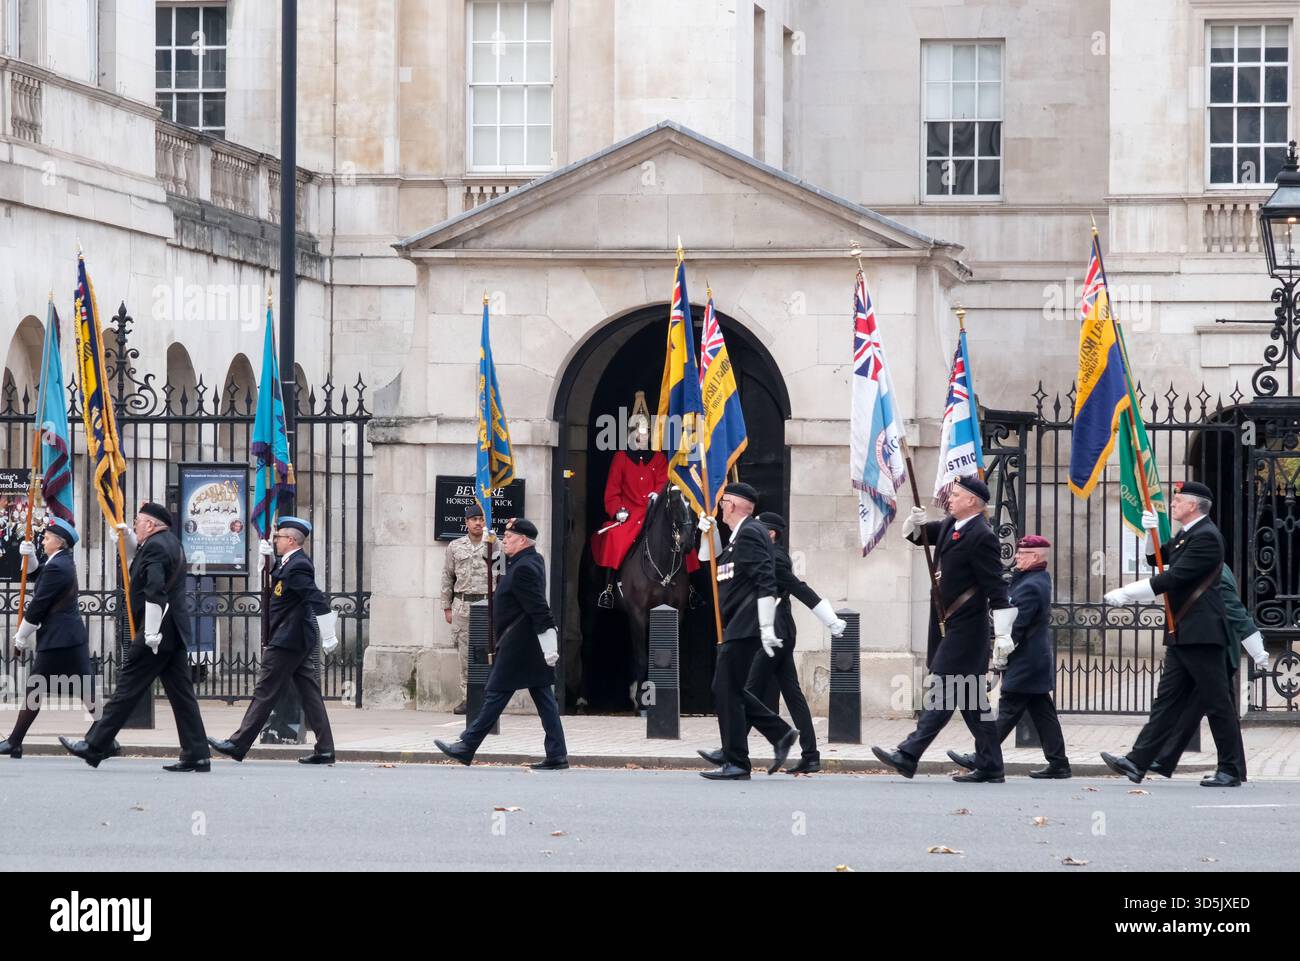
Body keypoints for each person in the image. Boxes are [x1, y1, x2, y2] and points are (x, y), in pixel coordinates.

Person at [871, 476, 1016, 783]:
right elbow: (919, 536)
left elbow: (996, 588)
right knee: (973, 701)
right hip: (946, 625)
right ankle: (991, 765)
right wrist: (915, 521)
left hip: (967, 630)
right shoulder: (953, 525)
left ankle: (909, 754)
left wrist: (1003, 635)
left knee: (944, 690)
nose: (949, 499)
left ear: (972, 502)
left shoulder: (982, 535)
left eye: (956, 495)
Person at [1100, 481, 1245, 787]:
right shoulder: (1186, 535)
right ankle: (1138, 761)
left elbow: (1173, 577)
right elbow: (1157, 560)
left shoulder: (1207, 537)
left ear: (1194, 506)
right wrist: (1150, 536)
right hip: (1183, 630)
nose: (1174, 504)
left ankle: (1231, 769)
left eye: (1178, 500)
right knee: (1167, 700)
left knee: (1218, 703)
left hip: (1202, 632)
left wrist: (1127, 593)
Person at [60, 502, 210, 771]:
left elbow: (154, 588)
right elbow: (139, 559)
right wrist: (126, 536)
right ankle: (197, 753)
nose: (135, 524)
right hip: (173, 630)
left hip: (158, 631)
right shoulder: (170, 543)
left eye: (138, 521)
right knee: (181, 694)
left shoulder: (155, 546)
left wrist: (150, 633)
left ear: (150, 525)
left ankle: (95, 745)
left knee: (127, 687)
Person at [699, 511, 845, 774]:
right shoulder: (761, 552)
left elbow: (798, 587)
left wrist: (829, 617)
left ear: (771, 534)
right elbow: (722, 565)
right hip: (782, 632)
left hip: (771, 633)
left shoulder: (773, 557)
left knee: (742, 690)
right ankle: (810, 754)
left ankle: (739, 749)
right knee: (791, 695)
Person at [435, 517, 569, 769]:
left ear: (522, 540)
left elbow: (539, 608)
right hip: (524, 644)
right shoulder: (527, 560)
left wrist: (549, 640)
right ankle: (557, 753)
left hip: (519, 644)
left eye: (508, 537)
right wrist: (491, 550)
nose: (504, 540)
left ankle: (467, 746)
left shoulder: (524, 568)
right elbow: (502, 571)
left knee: (495, 695)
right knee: (544, 699)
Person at [207, 516, 338, 764]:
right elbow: (278, 589)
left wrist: (329, 632)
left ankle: (238, 743)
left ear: (290, 540)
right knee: (310, 694)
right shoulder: (290, 562)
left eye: (277, 537)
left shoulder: (298, 565)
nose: (274, 540)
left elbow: (315, 597)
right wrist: (266, 561)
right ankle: (325, 749)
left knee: (265, 690)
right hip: (293, 638)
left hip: (288, 640)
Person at [695, 482, 798, 781]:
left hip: (747, 623)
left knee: (725, 688)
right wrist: (709, 534)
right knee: (731, 688)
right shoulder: (739, 536)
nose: (720, 506)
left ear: (733, 505)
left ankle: (738, 760)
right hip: (739, 623)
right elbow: (713, 564)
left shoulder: (750, 533)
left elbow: (765, 579)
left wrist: (766, 625)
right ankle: (773, 736)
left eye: (723, 501)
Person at [947, 534, 1071, 779]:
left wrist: (1000, 655)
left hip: (1027, 661)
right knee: (1043, 713)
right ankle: (1059, 763)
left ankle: (982, 757)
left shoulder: (1032, 585)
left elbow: (1016, 625)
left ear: (1035, 557)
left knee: (1007, 711)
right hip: (1032, 661)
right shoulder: (1031, 580)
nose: (1016, 557)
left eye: (1022, 554)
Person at [0, 519, 111, 759]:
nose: (43, 540)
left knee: (35, 688)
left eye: (47, 537)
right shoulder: (59, 562)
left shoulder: (58, 567)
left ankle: (15, 742)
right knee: (86, 688)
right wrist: (29, 559)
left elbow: (39, 604)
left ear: (59, 543)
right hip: (69, 636)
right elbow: (39, 576)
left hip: (59, 638)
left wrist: (20, 636)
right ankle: (107, 739)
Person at [1148, 562, 1265, 779]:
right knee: (1217, 710)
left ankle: (1163, 759)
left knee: (1209, 709)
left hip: (1216, 650)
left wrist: (1254, 644)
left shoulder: (1211, 568)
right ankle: (1233, 768)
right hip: (1210, 649)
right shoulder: (1203, 566)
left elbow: (1232, 607)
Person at [591, 415, 668, 609]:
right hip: (630, 514)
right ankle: (608, 589)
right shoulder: (621, 457)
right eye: (639, 433)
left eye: (645, 433)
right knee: (614, 537)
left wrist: (656, 496)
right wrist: (619, 511)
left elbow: (662, 484)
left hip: (654, 512)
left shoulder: (658, 457)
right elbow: (612, 492)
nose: (643, 437)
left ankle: (691, 590)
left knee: (680, 539)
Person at [439, 503, 491, 714]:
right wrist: (446, 607)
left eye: (481, 519)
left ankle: (488, 700)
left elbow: (502, 575)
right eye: (474, 519)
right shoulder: (455, 546)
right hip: (463, 606)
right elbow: (447, 576)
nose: (478, 523)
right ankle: (467, 699)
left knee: (488, 654)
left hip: (488, 604)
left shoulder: (494, 545)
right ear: (467, 522)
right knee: (465, 656)